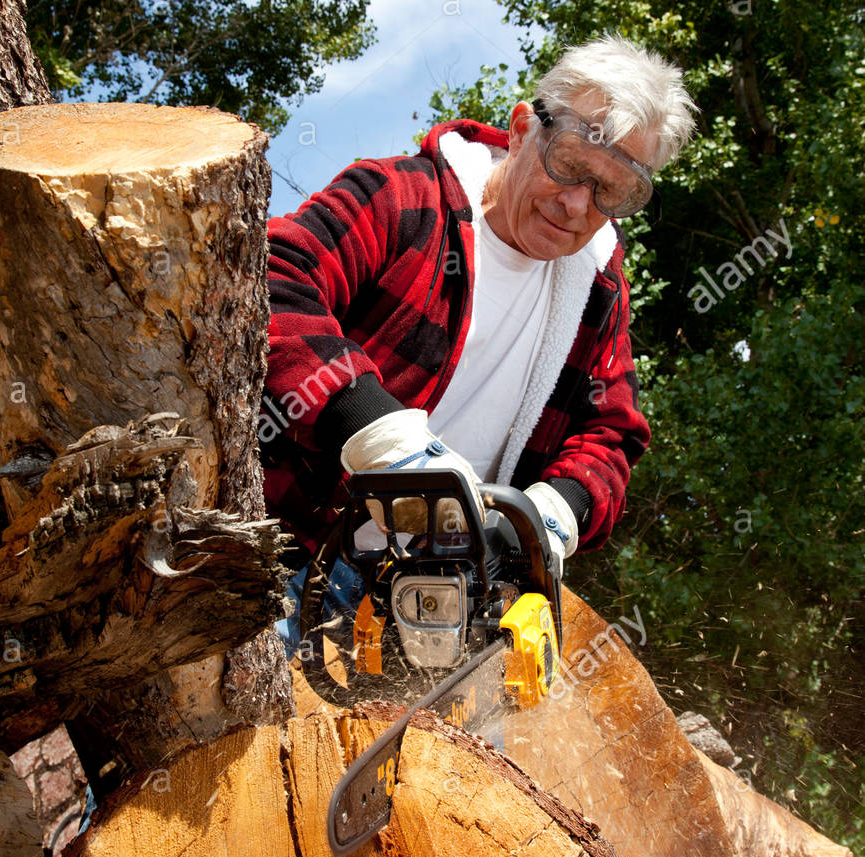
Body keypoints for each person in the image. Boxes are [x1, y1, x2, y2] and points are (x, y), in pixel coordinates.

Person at [259, 33, 697, 656]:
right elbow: (273, 278)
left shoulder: (598, 291)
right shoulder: (405, 199)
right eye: (570, 165)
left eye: (611, 193)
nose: (578, 204)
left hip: (449, 598)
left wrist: (541, 517)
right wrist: (377, 434)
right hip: (296, 549)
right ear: (522, 131)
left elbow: (611, 434)